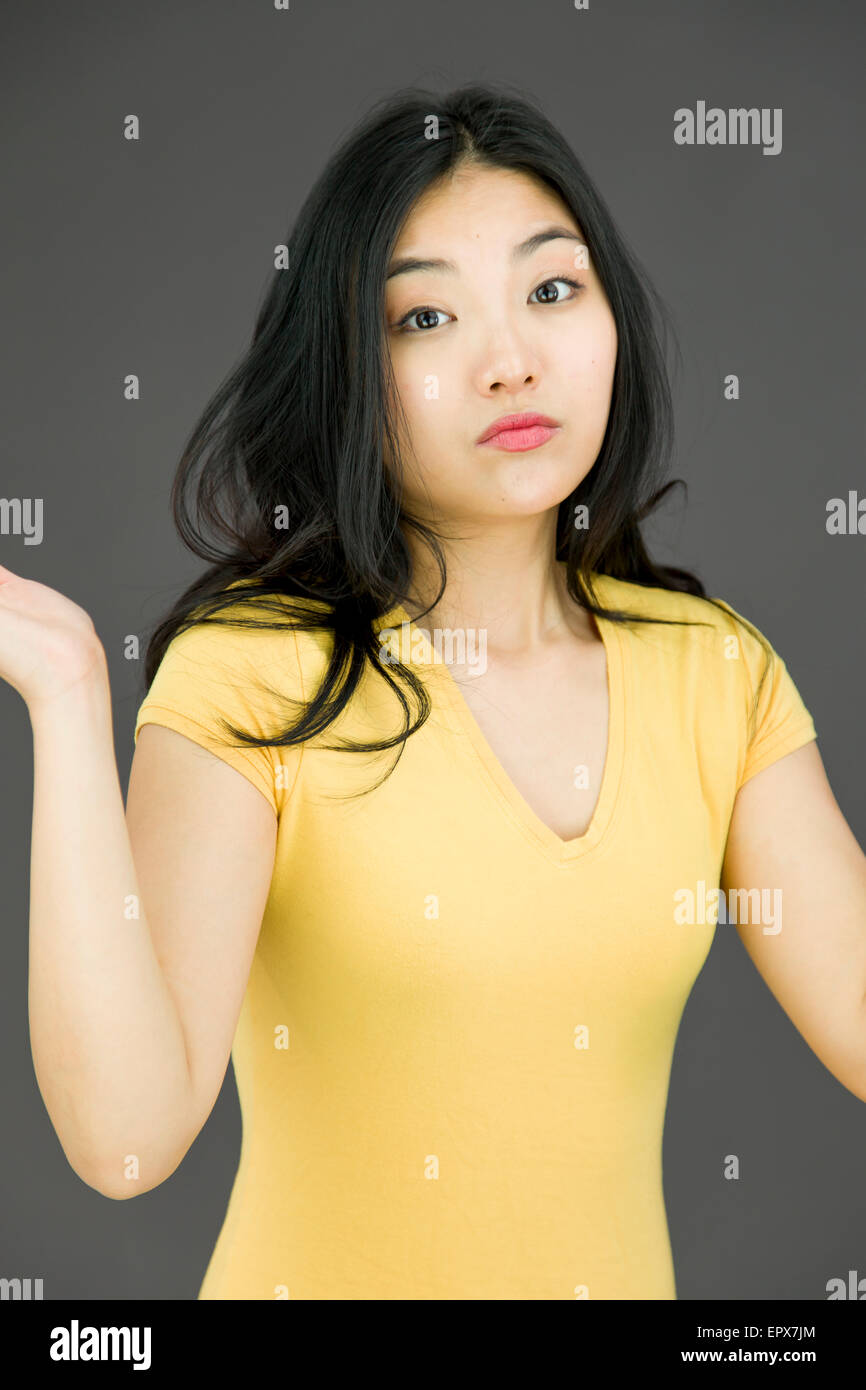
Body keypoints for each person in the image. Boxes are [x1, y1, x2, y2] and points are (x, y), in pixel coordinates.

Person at [8, 83, 866, 1301]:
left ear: (611, 320)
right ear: (348, 370)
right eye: (423, 318)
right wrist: (62, 682)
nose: (508, 360)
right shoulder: (253, 676)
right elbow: (125, 1140)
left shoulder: (712, 672)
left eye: (551, 289)